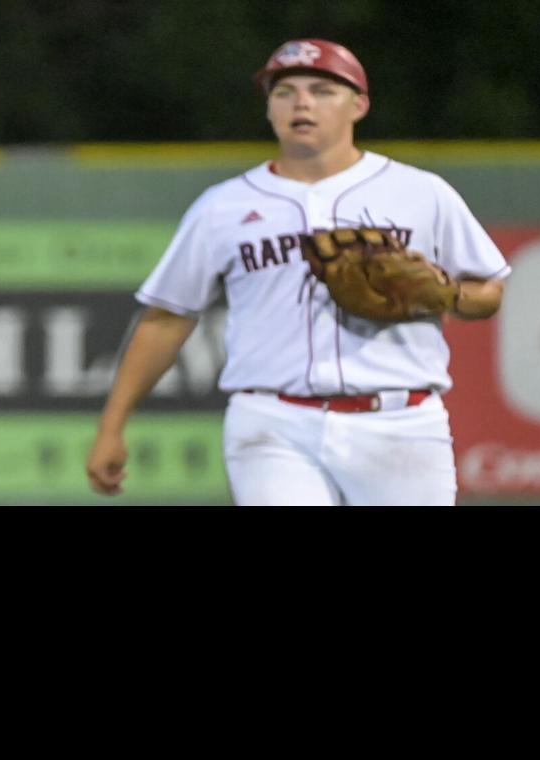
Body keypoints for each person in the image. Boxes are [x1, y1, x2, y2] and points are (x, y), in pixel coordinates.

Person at [86, 39, 510, 505]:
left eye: (323, 89)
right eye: (284, 91)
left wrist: (448, 295)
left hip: (400, 422)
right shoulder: (223, 207)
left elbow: (490, 290)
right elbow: (167, 317)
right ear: (269, 109)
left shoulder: (421, 193)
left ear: (359, 105)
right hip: (273, 424)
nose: (302, 102)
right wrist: (112, 427)